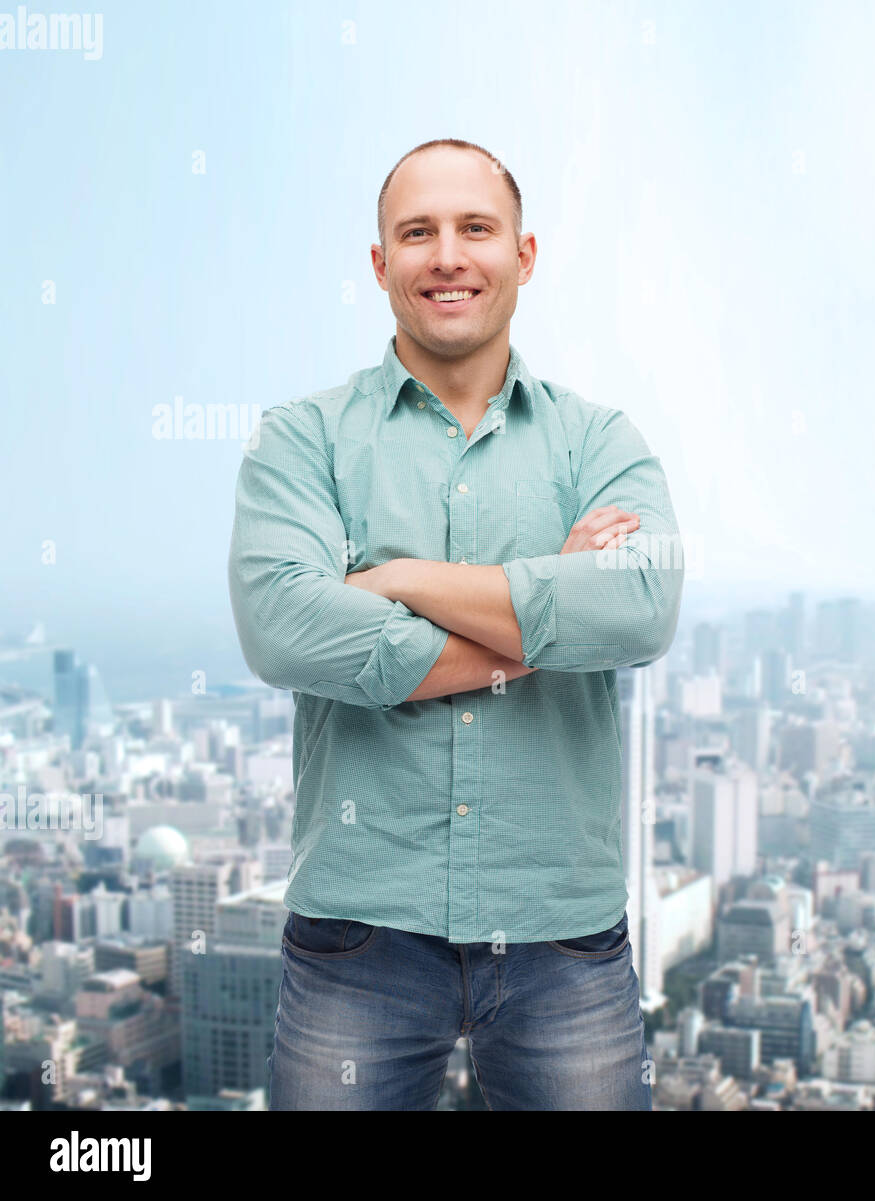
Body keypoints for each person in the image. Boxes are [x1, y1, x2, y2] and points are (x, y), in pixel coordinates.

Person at [227, 138, 684, 1110]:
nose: (446, 255)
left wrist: (393, 579)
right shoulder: (301, 438)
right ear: (379, 262)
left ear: (523, 254)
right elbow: (284, 627)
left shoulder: (598, 440)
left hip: (563, 936)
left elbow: (640, 605)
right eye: (417, 232)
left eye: (474, 228)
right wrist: (543, 613)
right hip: (358, 933)